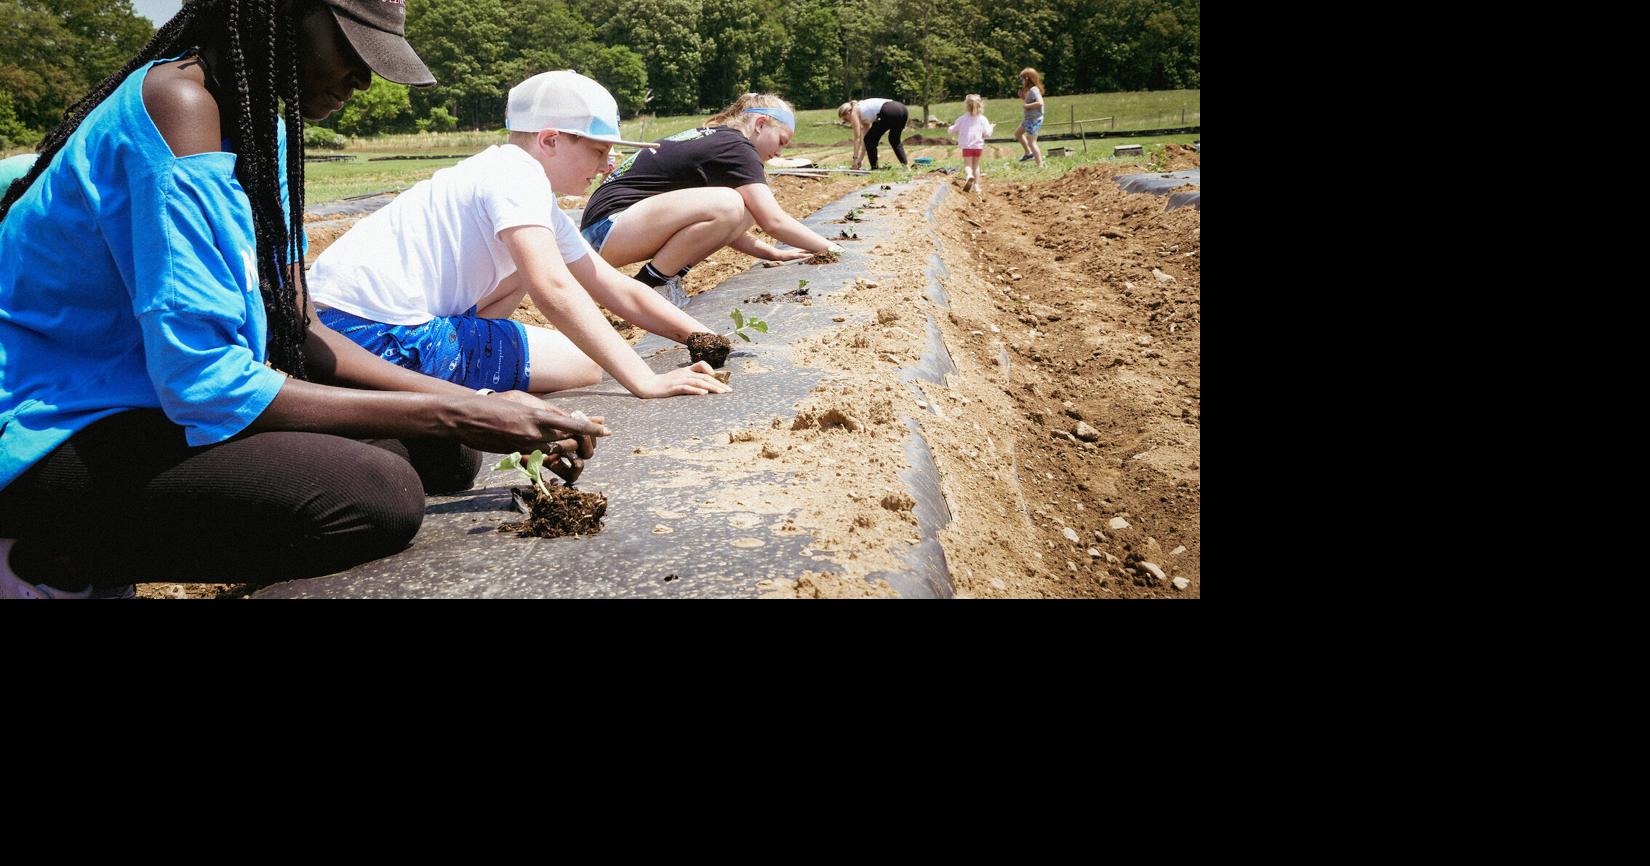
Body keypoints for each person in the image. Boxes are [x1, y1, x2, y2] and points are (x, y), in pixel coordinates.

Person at [0, 0, 606, 599]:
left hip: (152, 401)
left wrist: (482, 404)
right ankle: (51, 556)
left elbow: (298, 327)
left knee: (445, 456)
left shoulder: (269, 132)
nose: (362, 80)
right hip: (55, 424)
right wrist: (459, 412)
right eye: (351, 49)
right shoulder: (175, 107)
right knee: (374, 497)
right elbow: (206, 384)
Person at [308, 70, 728, 400]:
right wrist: (644, 379)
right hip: (380, 339)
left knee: (518, 272)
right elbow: (553, 286)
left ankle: (470, 358)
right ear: (550, 140)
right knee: (582, 364)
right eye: (599, 150)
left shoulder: (507, 177)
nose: (606, 166)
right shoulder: (517, 175)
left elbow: (610, 284)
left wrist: (702, 338)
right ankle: (456, 372)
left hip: (328, 328)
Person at [579, 93, 843, 301]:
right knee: (732, 203)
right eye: (782, 141)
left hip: (608, 231)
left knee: (743, 205)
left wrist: (771, 252)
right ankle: (650, 286)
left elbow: (723, 228)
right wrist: (833, 249)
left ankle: (662, 280)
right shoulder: (737, 147)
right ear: (761, 124)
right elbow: (773, 221)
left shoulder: (721, 140)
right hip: (608, 229)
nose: (780, 152)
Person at [838, 97, 910, 171]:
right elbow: (866, 141)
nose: (847, 121)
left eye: (845, 119)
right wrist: (860, 159)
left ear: (848, 112)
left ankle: (875, 168)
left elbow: (857, 138)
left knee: (870, 140)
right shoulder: (863, 113)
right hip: (902, 109)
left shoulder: (854, 112)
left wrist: (855, 160)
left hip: (888, 110)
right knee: (894, 140)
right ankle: (906, 167)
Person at [948, 94, 994, 194]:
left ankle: (969, 176)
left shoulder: (962, 118)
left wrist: (949, 128)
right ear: (980, 105)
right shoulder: (983, 119)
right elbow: (987, 134)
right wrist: (991, 127)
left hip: (967, 146)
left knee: (968, 165)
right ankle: (977, 186)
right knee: (976, 165)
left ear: (967, 106)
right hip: (978, 147)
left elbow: (953, 129)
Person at [1014, 68, 1046, 166]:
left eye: (1022, 79)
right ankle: (1028, 154)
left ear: (1027, 79)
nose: (1021, 82)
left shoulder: (1034, 89)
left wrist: (1026, 106)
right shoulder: (1031, 90)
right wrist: (1023, 98)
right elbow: (1031, 101)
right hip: (1029, 119)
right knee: (1018, 134)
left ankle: (1040, 164)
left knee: (1032, 142)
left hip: (1034, 120)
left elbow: (1040, 103)